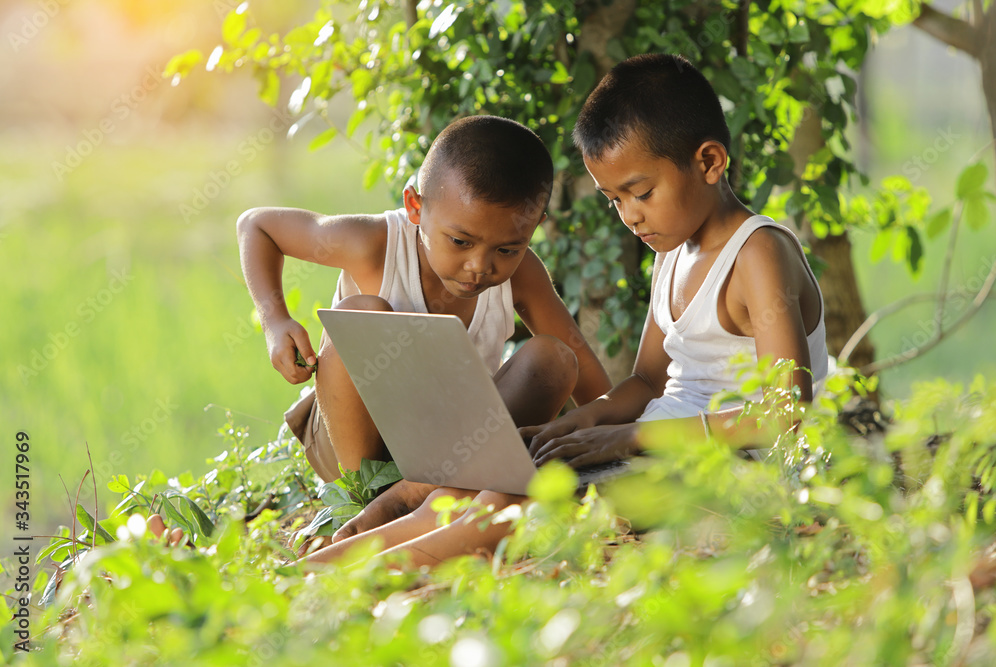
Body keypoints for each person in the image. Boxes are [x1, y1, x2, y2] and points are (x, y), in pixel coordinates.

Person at [235, 115, 613, 565]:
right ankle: (370, 495)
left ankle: (423, 486)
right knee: (363, 314)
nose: (480, 266)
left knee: (554, 359)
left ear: (534, 227)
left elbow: (583, 369)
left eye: (506, 249)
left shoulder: (522, 275)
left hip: (453, 442)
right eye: (460, 241)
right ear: (416, 207)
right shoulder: (374, 243)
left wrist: (617, 427)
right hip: (354, 442)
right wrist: (275, 320)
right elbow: (256, 225)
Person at [521, 53, 829, 467]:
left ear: (709, 162)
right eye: (614, 200)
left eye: (642, 193)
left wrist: (634, 436)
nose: (630, 216)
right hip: (665, 444)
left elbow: (785, 413)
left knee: (551, 497)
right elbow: (648, 381)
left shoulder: (758, 253)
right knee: (536, 472)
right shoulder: (673, 248)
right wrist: (580, 421)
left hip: (741, 463)